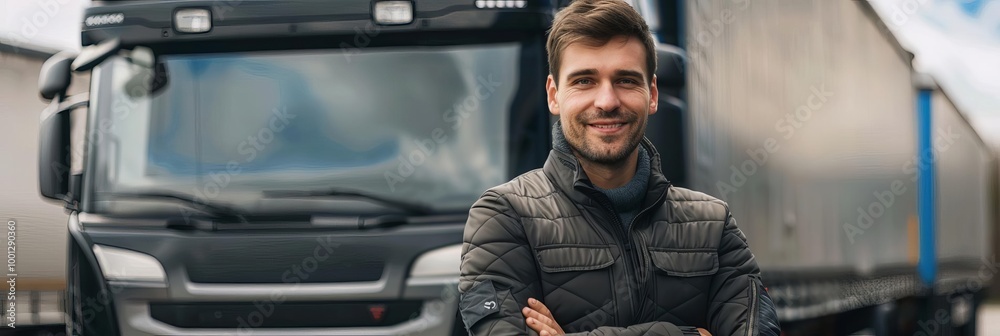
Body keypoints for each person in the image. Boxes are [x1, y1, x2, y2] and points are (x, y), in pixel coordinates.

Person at [457, 0, 781, 335]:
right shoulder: (503, 217)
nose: (607, 101)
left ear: (652, 93)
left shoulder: (712, 223)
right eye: (584, 81)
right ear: (554, 95)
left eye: (626, 80)